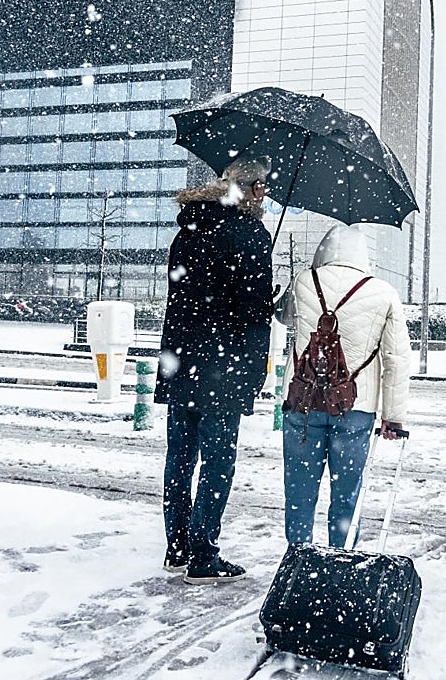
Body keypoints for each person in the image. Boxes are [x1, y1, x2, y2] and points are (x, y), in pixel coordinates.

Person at [156, 157, 274, 585]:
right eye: (262, 186)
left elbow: (182, 295)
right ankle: (204, 556)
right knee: (218, 461)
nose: (266, 193)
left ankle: (177, 546)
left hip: (181, 358)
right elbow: (253, 314)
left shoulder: (186, 230)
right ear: (251, 188)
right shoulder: (250, 234)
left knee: (180, 457)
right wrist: (255, 368)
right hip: (223, 366)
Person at [276, 225, 409, 549]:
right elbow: (396, 359)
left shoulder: (304, 281)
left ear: (324, 249)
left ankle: (298, 561)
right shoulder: (383, 292)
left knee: (299, 492)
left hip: (302, 404)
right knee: (347, 493)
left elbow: (284, 318)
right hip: (355, 409)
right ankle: (340, 562)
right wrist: (392, 417)